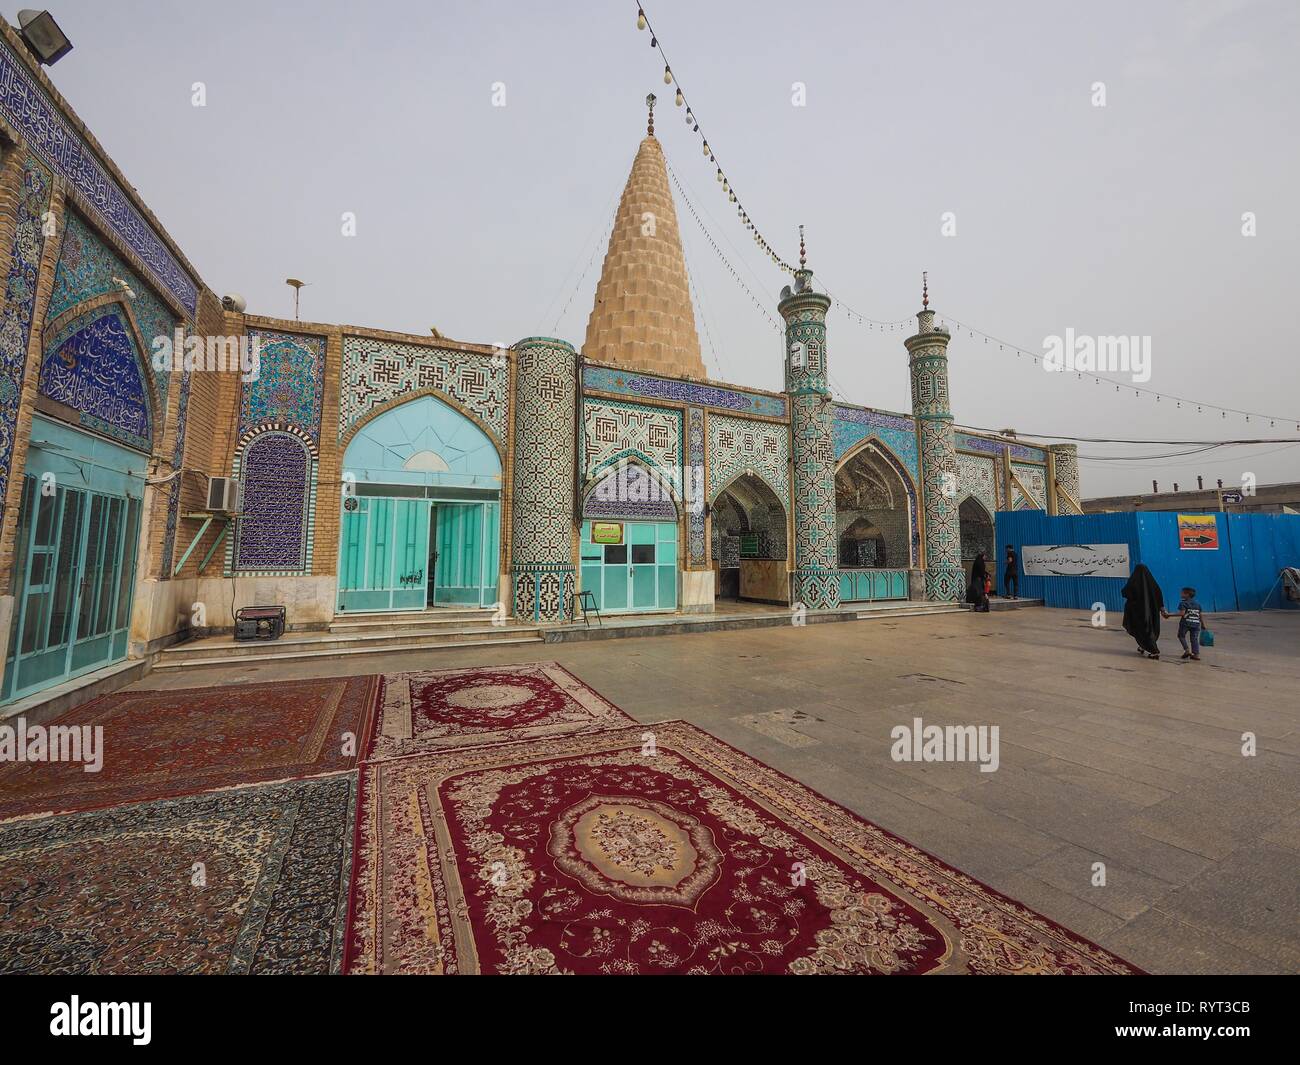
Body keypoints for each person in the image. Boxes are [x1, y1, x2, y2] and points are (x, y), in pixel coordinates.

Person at [1121, 564, 1164, 659]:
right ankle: (1142, 646)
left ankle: (1154, 651)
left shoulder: (1134, 582)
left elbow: (1125, 592)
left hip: (1137, 613)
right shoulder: (1153, 584)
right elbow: (1159, 595)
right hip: (1152, 612)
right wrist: (1162, 609)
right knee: (1149, 629)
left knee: (1142, 631)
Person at [1162, 587, 1205, 661]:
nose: (1181, 594)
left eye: (1182, 593)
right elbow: (1200, 615)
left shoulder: (1183, 603)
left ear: (1187, 594)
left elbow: (1182, 613)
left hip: (1185, 623)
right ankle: (1196, 655)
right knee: (1194, 639)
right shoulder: (1197, 604)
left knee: (1181, 636)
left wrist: (1169, 615)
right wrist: (1203, 624)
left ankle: (1187, 650)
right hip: (1196, 624)